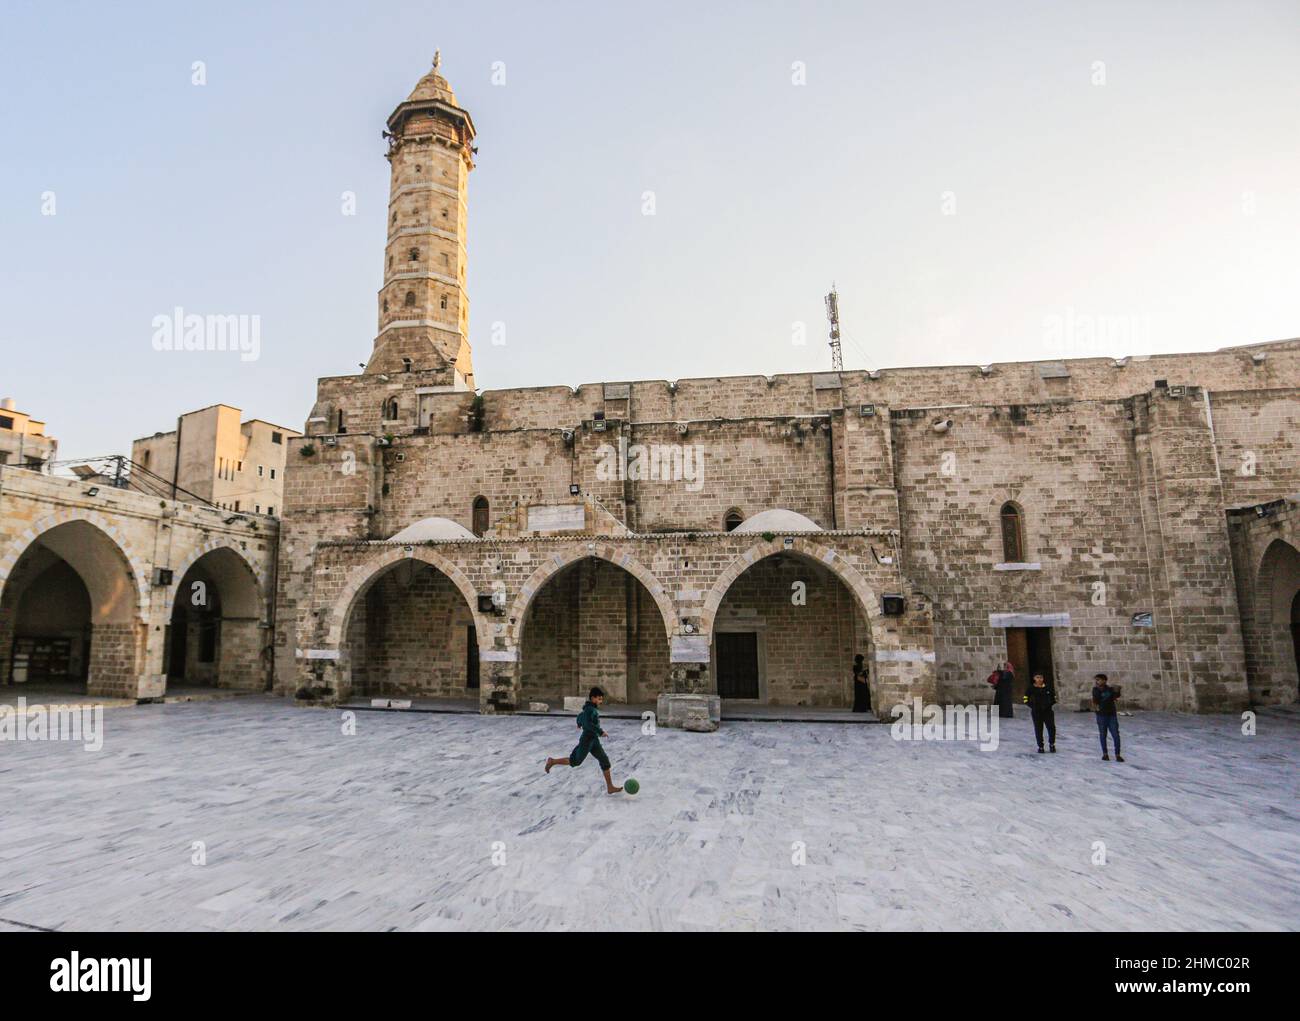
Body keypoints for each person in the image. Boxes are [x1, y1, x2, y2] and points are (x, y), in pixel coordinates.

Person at [545, 686, 623, 793]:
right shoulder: (590, 709)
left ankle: (610, 787)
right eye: (599, 699)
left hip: (594, 740)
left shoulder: (589, 709)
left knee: (604, 760)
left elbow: (581, 716)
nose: (601, 701)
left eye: (601, 699)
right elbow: (587, 723)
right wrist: (600, 732)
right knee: (575, 761)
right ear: (593, 698)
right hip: (587, 740)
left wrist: (578, 722)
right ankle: (552, 761)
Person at [1091, 672, 1124, 762]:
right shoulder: (1096, 690)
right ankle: (1105, 754)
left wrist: (1118, 691)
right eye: (1096, 680)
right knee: (1103, 734)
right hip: (1101, 715)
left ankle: (1117, 754)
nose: (1097, 682)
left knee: (1116, 735)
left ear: (1104, 681)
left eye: (1099, 680)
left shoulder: (1110, 689)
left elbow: (1116, 696)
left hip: (1111, 715)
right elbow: (1097, 697)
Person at [1022, 671, 1057, 753]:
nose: (1039, 679)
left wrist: (1050, 704)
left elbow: (1054, 697)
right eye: (1037, 677)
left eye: (1041, 677)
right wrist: (1032, 706)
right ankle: (1040, 746)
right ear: (1034, 678)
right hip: (1036, 712)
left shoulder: (1048, 687)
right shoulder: (1031, 688)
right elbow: (1025, 698)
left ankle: (1052, 744)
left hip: (1048, 711)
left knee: (1051, 728)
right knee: (1038, 729)